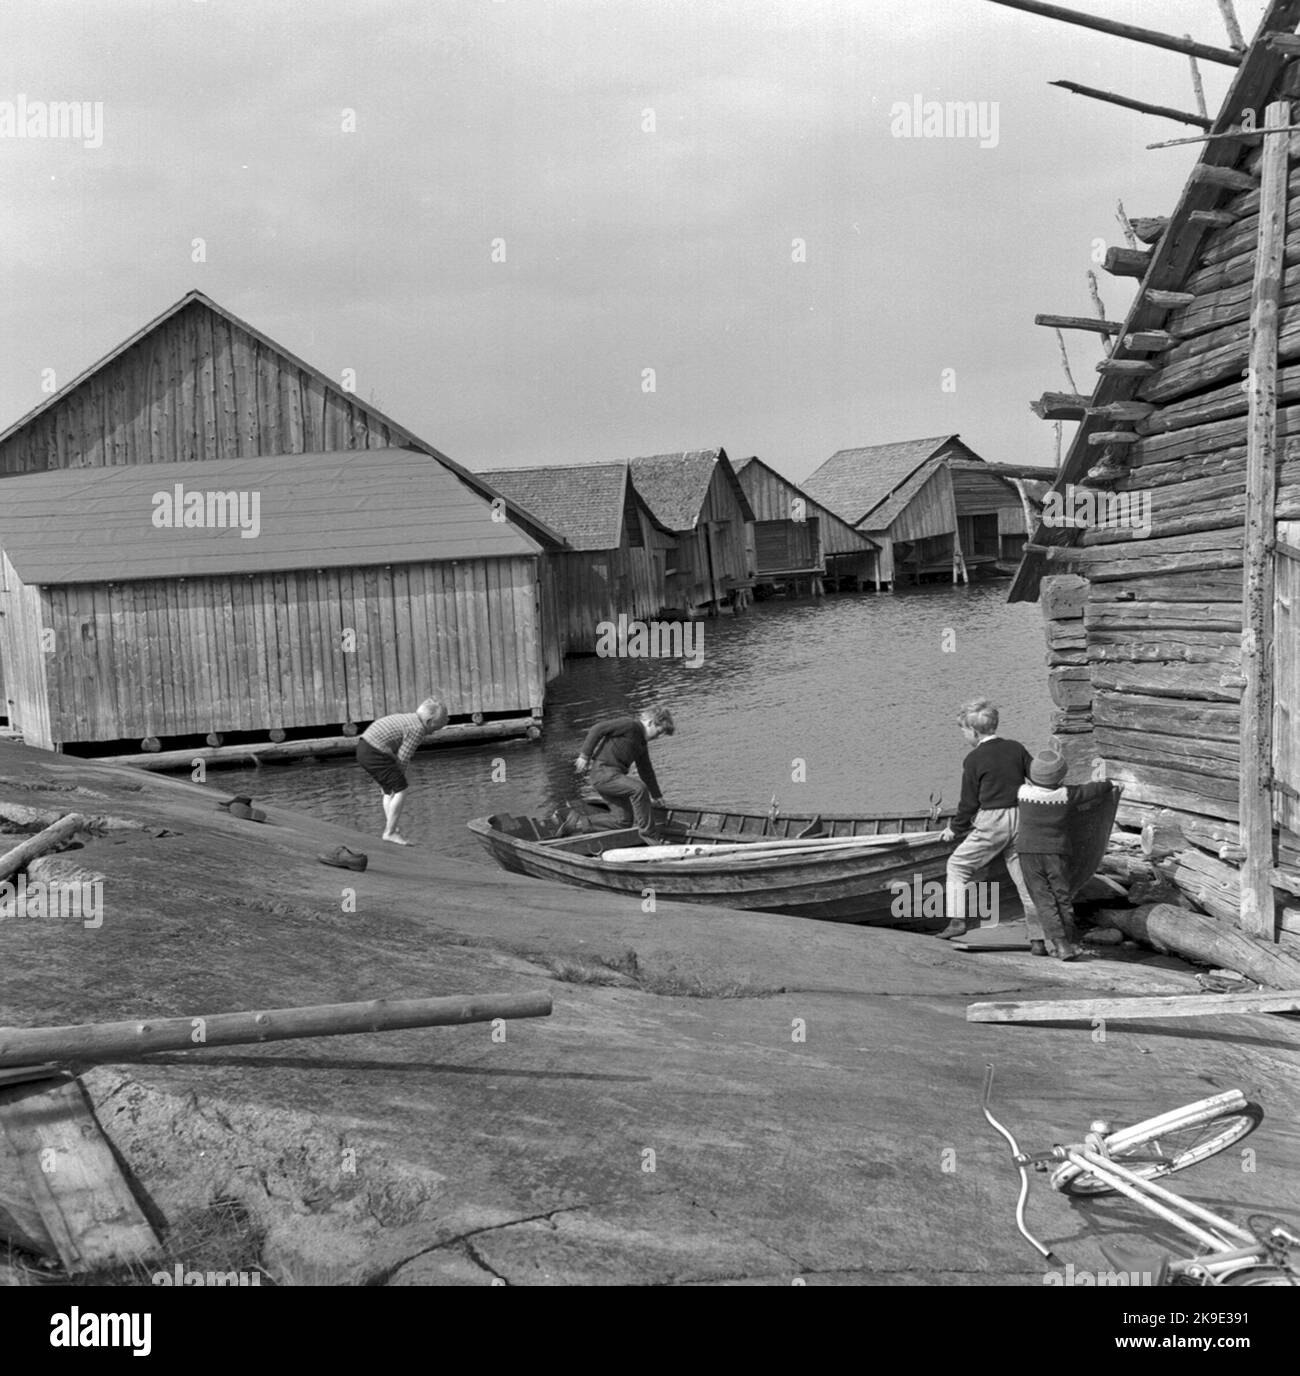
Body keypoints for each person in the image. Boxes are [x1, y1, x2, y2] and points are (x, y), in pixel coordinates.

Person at [936, 698, 1042, 946]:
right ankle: (1039, 937)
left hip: (993, 820)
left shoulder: (973, 760)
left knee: (958, 866)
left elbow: (969, 804)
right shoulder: (1016, 748)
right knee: (1023, 879)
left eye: (963, 730)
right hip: (1020, 818)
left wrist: (955, 828)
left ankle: (957, 922)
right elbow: (1036, 776)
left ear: (972, 731)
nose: (964, 735)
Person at [1016, 749, 1111, 961]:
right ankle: (1067, 942)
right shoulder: (1066, 795)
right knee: (1062, 896)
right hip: (1056, 852)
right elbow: (1091, 790)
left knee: (1042, 898)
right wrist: (1109, 784)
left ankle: (1059, 944)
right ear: (1061, 775)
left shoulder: (1022, 792)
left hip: (1028, 852)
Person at [356, 697, 449, 844]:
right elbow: (403, 758)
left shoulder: (411, 719)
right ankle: (390, 832)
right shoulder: (417, 729)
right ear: (429, 722)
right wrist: (399, 780)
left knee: (389, 791)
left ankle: (393, 829)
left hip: (364, 748)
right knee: (401, 789)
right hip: (375, 751)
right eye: (441, 722)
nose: (444, 724)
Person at [574, 707, 674, 839]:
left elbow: (646, 771)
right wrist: (585, 755)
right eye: (659, 732)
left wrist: (657, 795)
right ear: (650, 722)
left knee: (623, 821)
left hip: (613, 778)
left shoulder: (642, 744)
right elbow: (598, 729)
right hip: (603, 772)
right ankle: (648, 833)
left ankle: (579, 823)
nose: (658, 737)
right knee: (639, 789)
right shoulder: (630, 725)